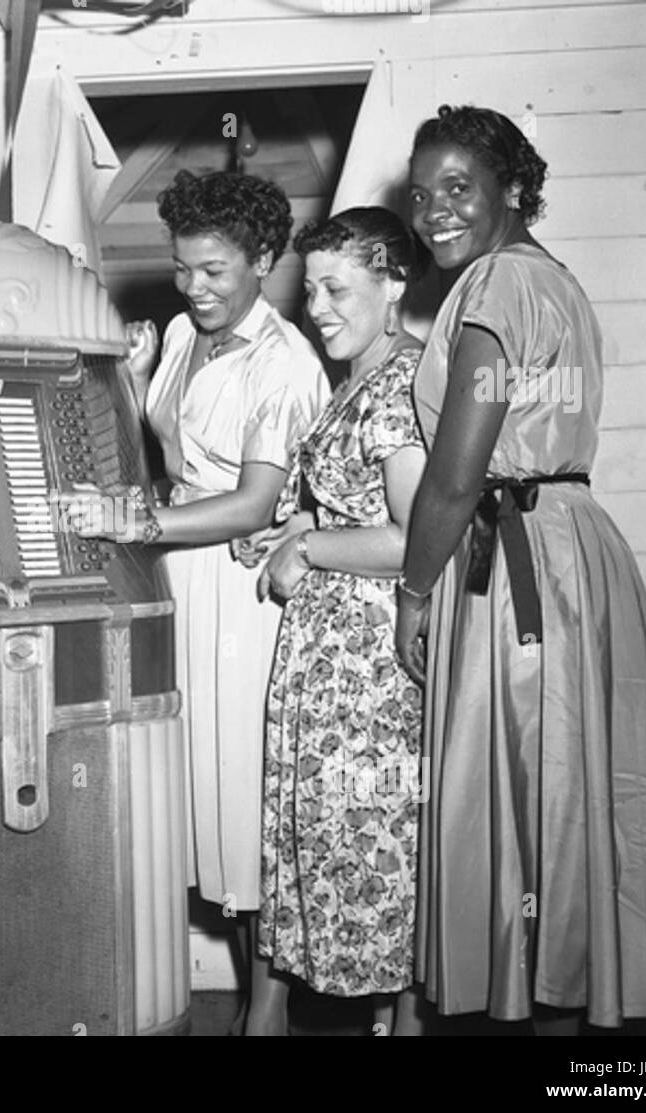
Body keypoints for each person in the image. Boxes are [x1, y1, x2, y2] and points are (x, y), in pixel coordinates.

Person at [394, 104, 646, 1030]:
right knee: (568, 801)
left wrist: (413, 593)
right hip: (571, 546)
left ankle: (545, 1016)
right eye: (420, 195)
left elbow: (454, 477)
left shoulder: (494, 288)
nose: (434, 211)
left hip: (516, 558)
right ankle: (580, 1026)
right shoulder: (555, 281)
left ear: (513, 190)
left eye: (459, 188)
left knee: (523, 803)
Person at [66, 169, 327, 1028]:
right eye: (183, 267)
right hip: (179, 576)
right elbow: (176, 452)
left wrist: (132, 520)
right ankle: (249, 1003)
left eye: (214, 269)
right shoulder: (181, 332)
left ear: (262, 259)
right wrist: (140, 377)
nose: (194, 287)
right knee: (200, 801)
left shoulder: (285, 362)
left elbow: (254, 503)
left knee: (246, 802)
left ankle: (268, 1010)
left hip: (243, 595)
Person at [234, 207, 427, 1036]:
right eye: (309, 288)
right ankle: (392, 1018)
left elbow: (416, 540)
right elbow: (351, 506)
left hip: (372, 667)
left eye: (337, 288)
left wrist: (309, 547)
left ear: (394, 284)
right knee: (347, 840)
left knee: (380, 841)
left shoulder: (401, 385)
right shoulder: (362, 378)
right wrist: (291, 527)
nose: (317, 307)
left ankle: (407, 1018)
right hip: (334, 658)